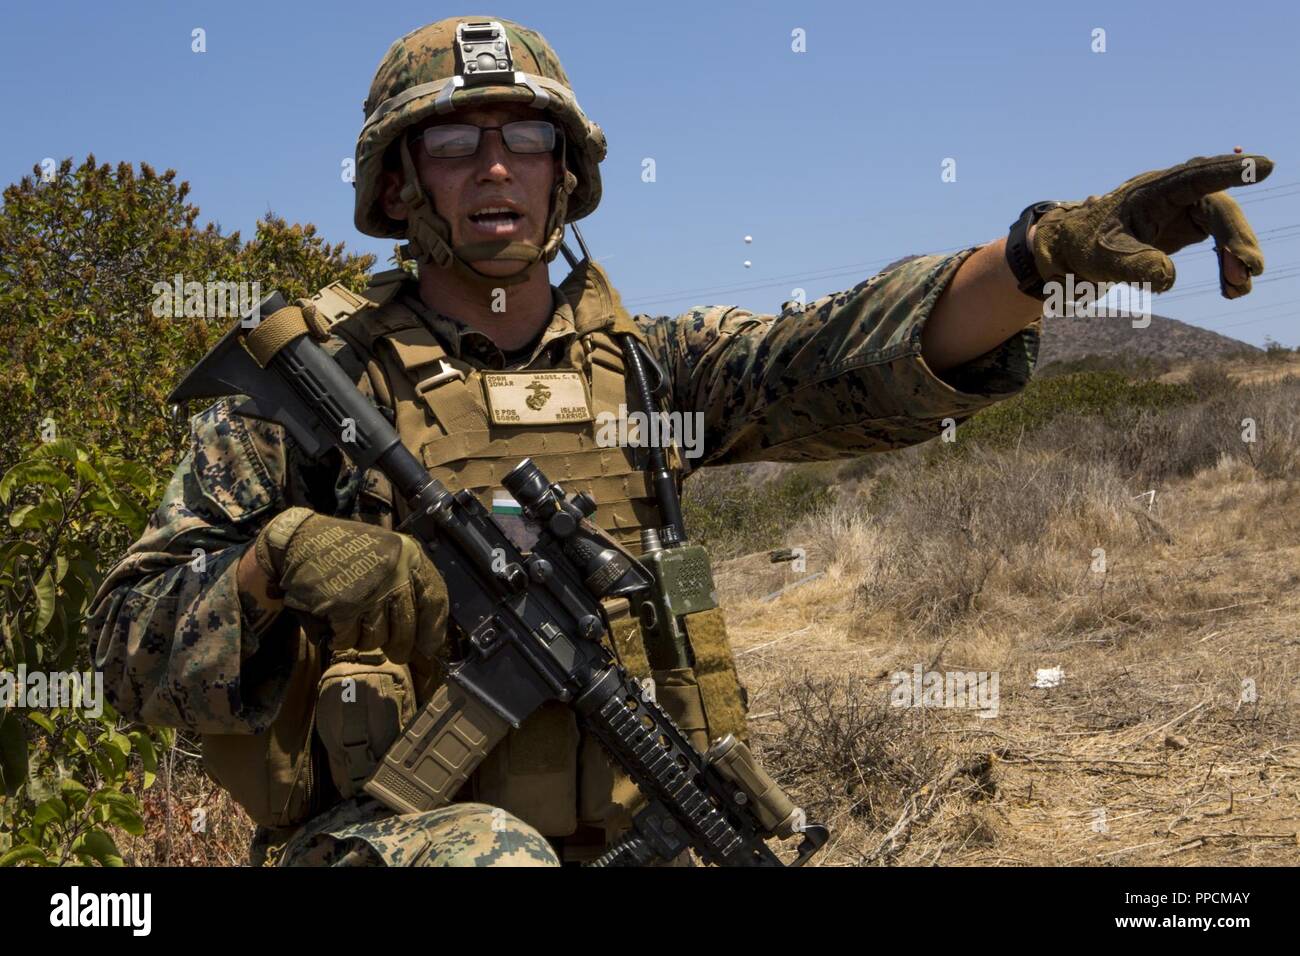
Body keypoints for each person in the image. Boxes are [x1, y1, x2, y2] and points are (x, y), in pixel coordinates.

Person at [87, 16, 1272, 867]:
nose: (494, 167)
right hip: (397, 836)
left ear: (568, 175)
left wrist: (1039, 259)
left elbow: (836, 354)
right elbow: (122, 645)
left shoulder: (645, 366)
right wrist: (272, 563)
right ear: (399, 185)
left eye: (524, 139)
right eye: (454, 143)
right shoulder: (315, 385)